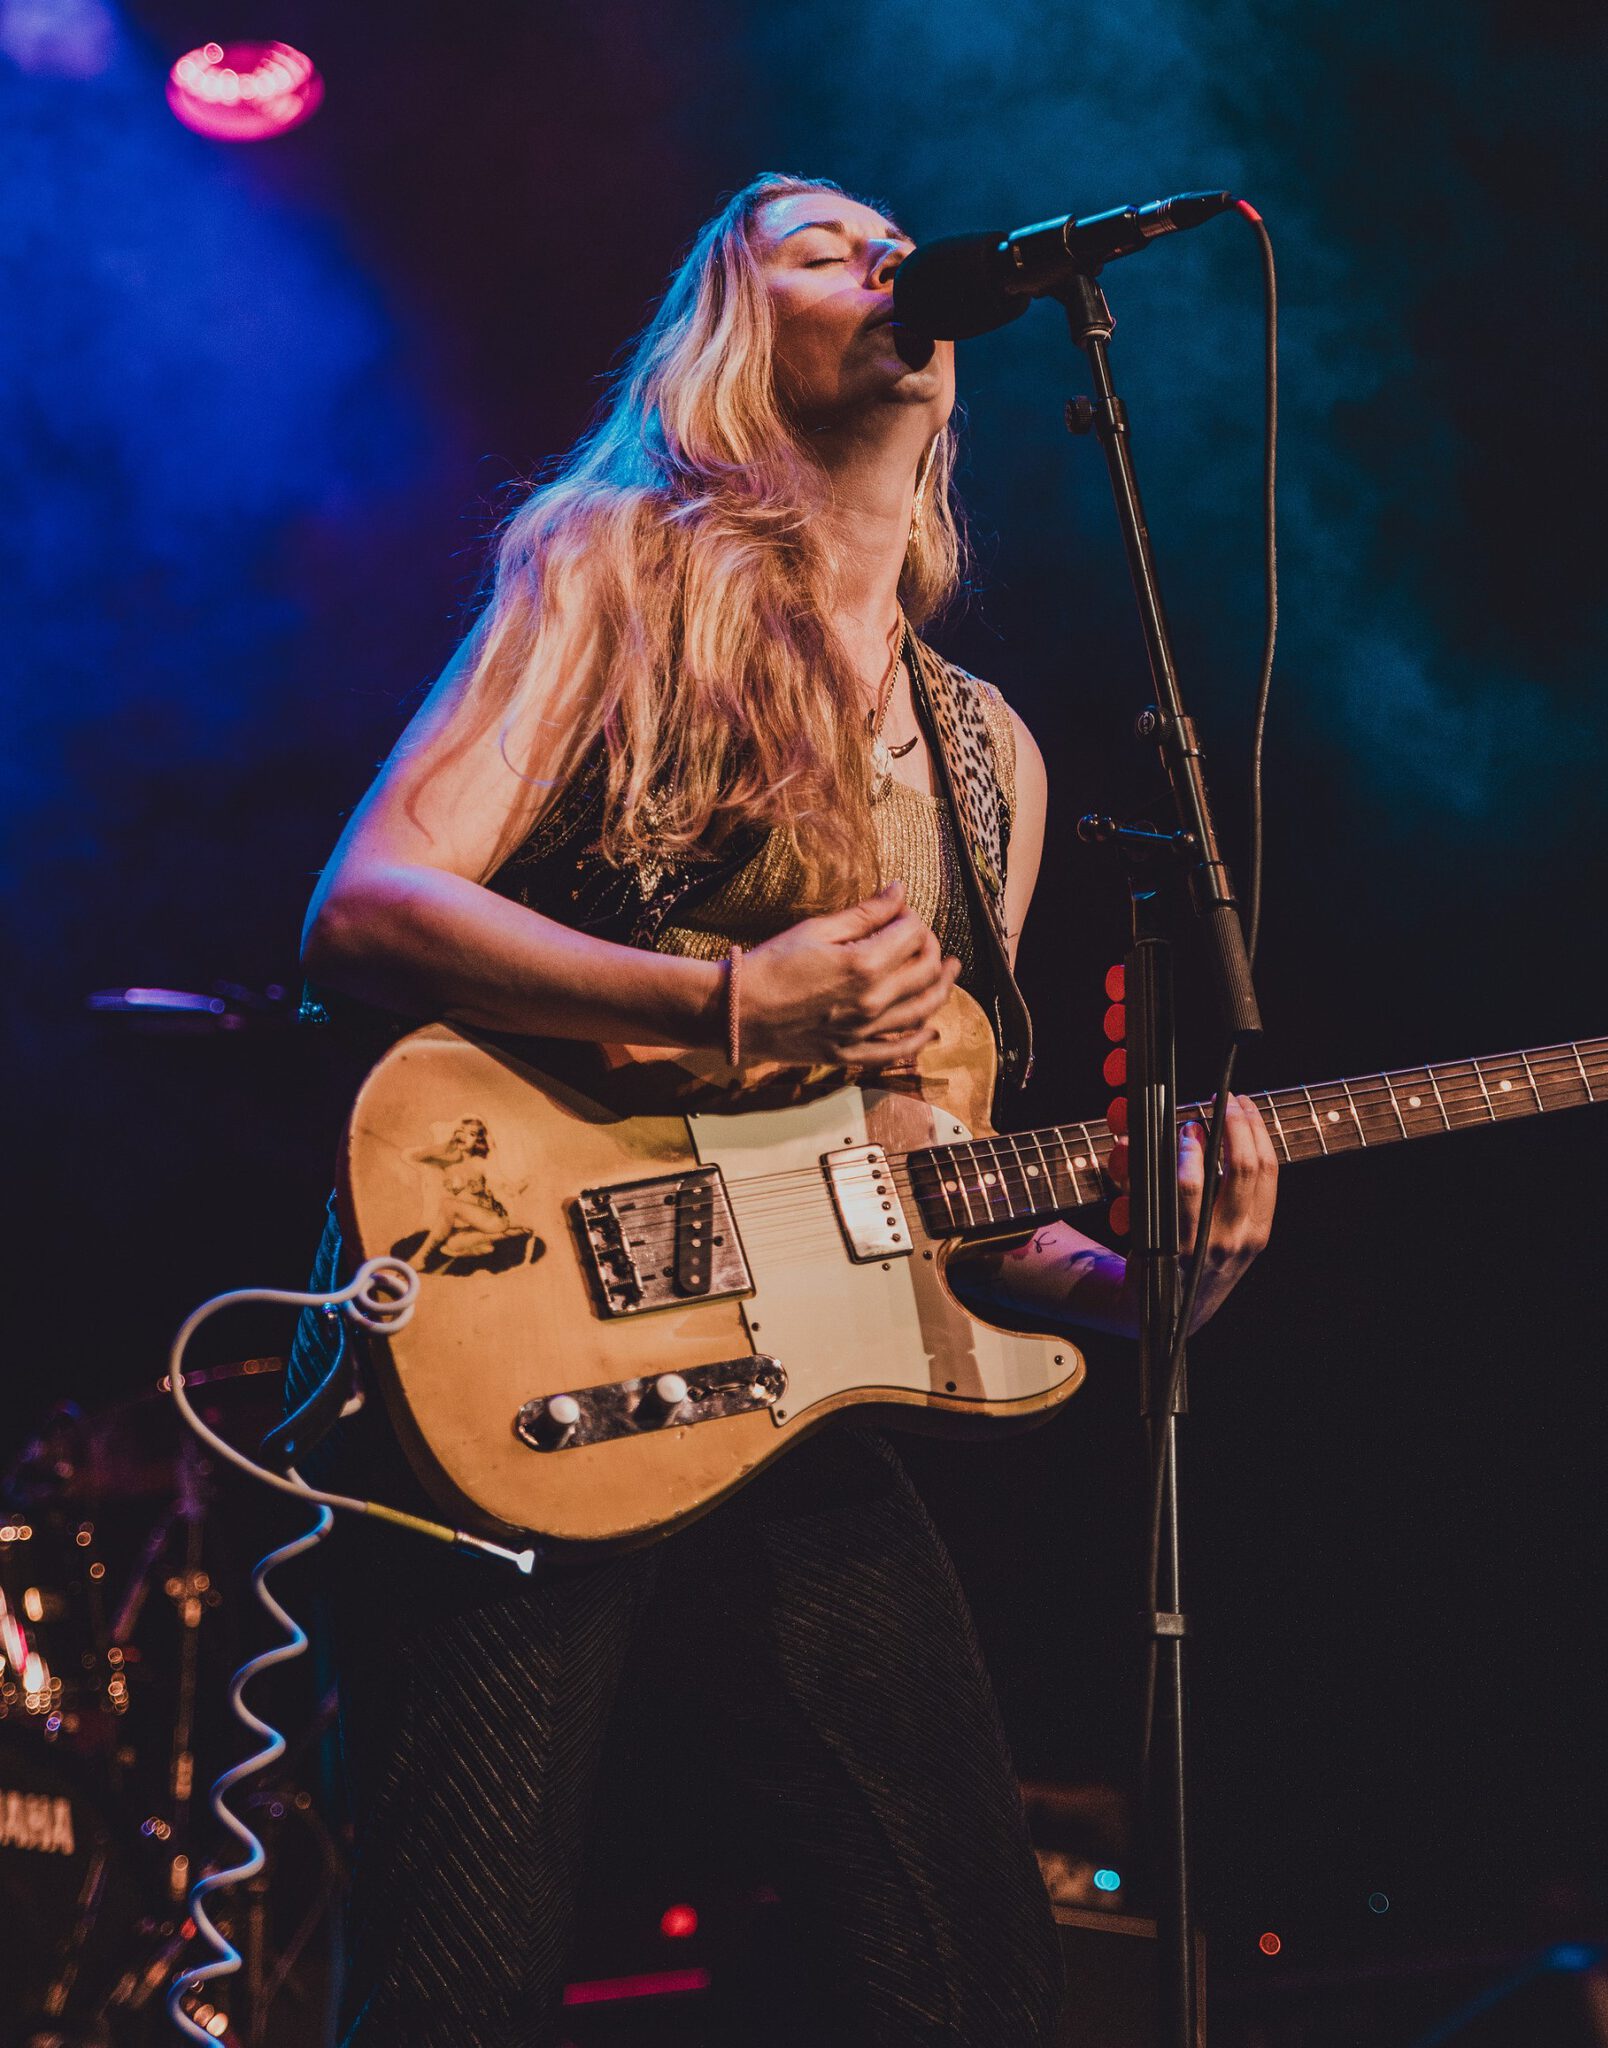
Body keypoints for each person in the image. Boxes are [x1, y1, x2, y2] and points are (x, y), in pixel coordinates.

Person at [295, 171, 1276, 2048]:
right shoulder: (607, 564)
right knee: (454, 1988)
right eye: (820, 248)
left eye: (892, 242)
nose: (886, 263)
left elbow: (927, 1177)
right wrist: (730, 1001)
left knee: (965, 1972)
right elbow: (370, 907)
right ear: (735, 342)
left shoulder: (989, 754)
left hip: (789, 1400)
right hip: (505, 1328)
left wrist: (1130, 1275)